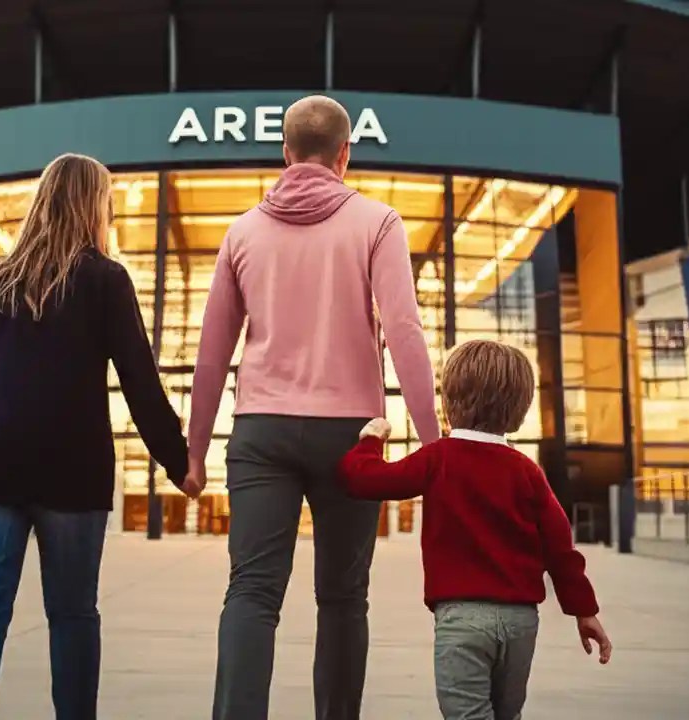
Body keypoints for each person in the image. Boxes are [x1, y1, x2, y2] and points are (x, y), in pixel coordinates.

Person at [0, 153, 202, 720]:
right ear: (95, 205)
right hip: (74, 471)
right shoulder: (107, 280)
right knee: (73, 614)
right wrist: (178, 461)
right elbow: (140, 380)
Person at [185, 95, 442, 720]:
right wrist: (435, 447)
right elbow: (404, 330)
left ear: (285, 152)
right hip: (351, 437)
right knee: (345, 597)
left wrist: (193, 453)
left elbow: (213, 354)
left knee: (251, 591)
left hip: (261, 432)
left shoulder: (242, 231)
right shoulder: (378, 223)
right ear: (344, 155)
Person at [339, 340, 612, 720]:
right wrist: (584, 610)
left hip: (462, 619)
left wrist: (370, 441)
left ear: (449, 401)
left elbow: (367, 481)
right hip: (521, 622)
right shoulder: (527, 471)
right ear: (519, 411)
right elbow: (560, 546)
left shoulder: (439, 459)